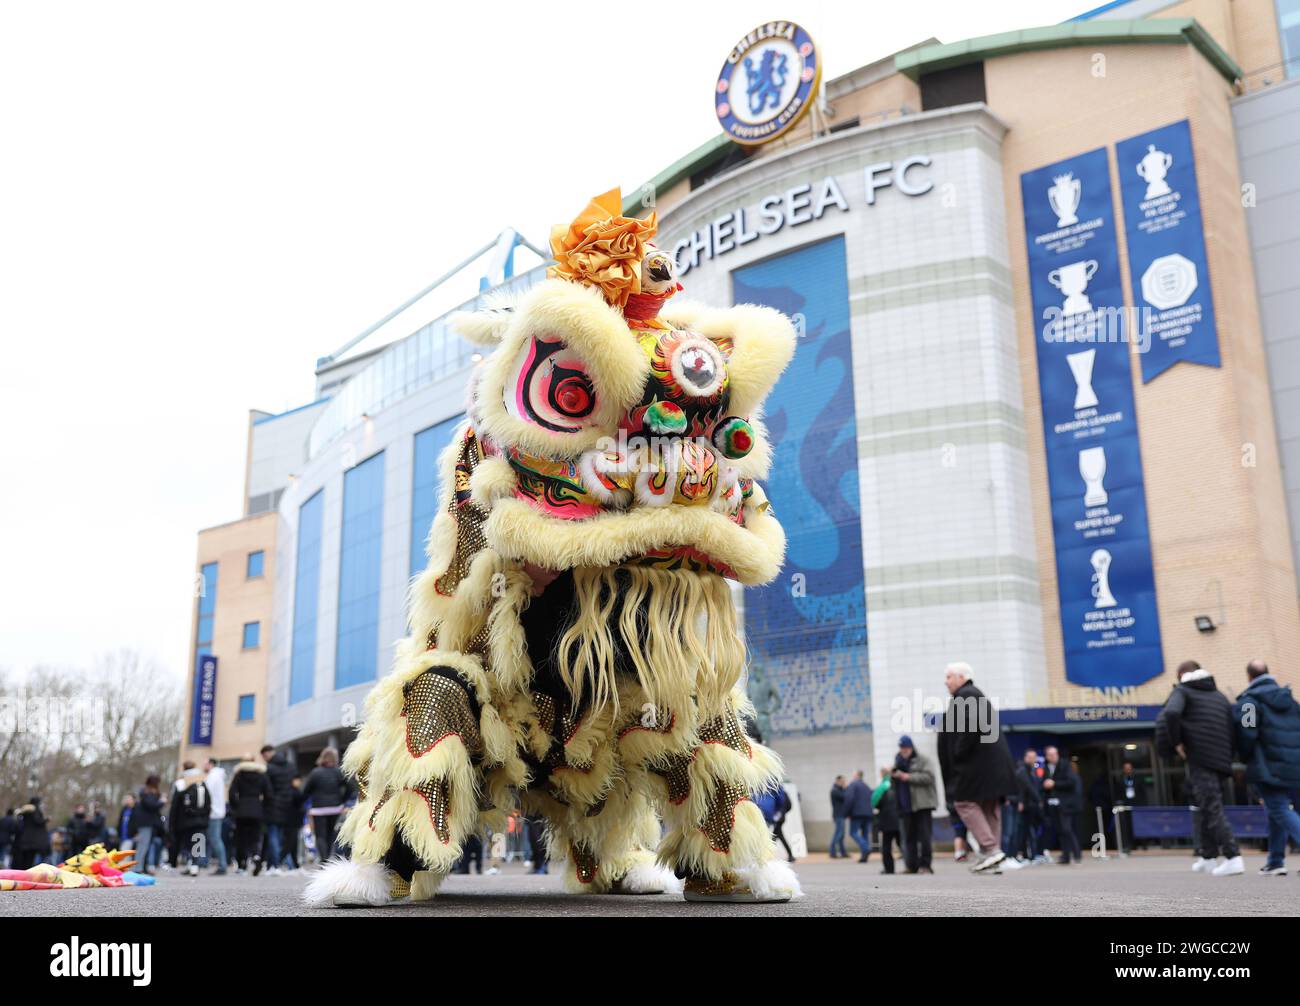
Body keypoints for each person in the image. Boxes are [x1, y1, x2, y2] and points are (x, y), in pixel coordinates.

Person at [1156, 659, 1242, 876]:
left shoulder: (1183, 691)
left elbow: (1171, 713)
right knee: (1205, 806)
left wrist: (1177, 743)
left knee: (1211, 807)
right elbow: (1233, 728)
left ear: (1182, 676)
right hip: (1221, 759)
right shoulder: (1220, 696)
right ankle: (1208, 856)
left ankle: (1233, 856)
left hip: (1200, 758)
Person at [937, 662, 1018, 873]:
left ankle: (991, 850)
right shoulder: (975, 695)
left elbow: (971, 729)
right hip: (993, 765)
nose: (946, 682)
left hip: (978, 765)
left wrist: (957, 753)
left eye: (949, 677)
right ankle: (992, 856)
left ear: (962, 677)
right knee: (989, 807)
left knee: (964, 802)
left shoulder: (966, 695)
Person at [1233, 659, 1300, 876]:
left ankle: (1276, 860)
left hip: (1268, 766)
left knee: (1279, 809)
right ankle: (1275, 859)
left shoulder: (1250, 702)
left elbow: (1247, 733)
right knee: (1277, 812)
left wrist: (1244, 757)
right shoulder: (1290, 701)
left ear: (1249, 677)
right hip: (1294, 765)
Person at [892, 736, 937, 874]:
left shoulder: (923, 760)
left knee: (924, 837)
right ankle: (911, 866)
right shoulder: (898, 762)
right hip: (905, 807)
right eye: (901, 748)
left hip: (922, 804)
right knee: (908, 838)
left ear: (911, 747)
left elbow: (929, 777)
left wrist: (908, 777)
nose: (903, 750)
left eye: (905, 747)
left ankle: (926, 865)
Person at [301, 747, 354, 862]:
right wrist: (342, 800)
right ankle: (327, 858)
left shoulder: (315, 772)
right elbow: (350, 787)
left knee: (320, 835)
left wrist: (309, 800)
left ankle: (323, 859)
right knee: (330, 834)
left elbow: (306, 790)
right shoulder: (338, 771)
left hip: (318, 809)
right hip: (335, 808)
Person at [228, 754, 273, 874]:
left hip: (241, 810)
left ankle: (242, 865)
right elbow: (269, 794)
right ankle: (256, 857)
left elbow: (232, 793)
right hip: (257, 809)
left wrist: (236, 807)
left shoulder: (239, 775)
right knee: (256, 836)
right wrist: (262, 807)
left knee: (241, 838)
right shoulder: (261, 775)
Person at [169, 764, 212, 876]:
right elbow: (208, 806)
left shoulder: (184, 787)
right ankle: (194, 865)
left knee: (190, 843)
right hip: (200, 821)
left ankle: (192, 864)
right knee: (197, 842)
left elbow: (177, 807)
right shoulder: (203, 787)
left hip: (188, 822)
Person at [1042, 746, 1082, 864]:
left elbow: (1071, 782)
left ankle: (1076, 854)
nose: (1052, 757)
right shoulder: (1046, 768)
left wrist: (1054, 784)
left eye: (1054, 754)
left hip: (1066, 804)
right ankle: (1066, 856)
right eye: (1049, 755)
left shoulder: (1065, 765)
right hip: (1053, 803)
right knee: (1060, 829)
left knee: (1067, 829)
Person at [259, 745, 295, 874]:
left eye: (264, 756)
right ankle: (277, 865)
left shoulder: (269, 768)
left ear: (267, 753)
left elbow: (266, 789)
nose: (264, 759)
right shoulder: (290, 766)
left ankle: (275, 865)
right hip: (287, 805)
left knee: (272, 836)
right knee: (280, 836)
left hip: (272, 805)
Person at [1013, 749, 1043, 861]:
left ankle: (1029, 854)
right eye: (1030, 757)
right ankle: (1027, 854)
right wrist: (1039, 800)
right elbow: (1028, 787)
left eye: (1034, 757)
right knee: (1024, 832)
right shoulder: (1022, 770)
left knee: (1028, 831)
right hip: (1025, 806)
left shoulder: (1033, 770)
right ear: (1025, 758)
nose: (1032, 759)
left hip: (1031, 805)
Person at [755, 782, 795, 863]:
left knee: (773, 838)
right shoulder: (779, 793)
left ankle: (768, 854)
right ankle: (789, 855)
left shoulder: (779, 794)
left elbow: (787, 806)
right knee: (777, 837)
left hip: (778, 819)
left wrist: (780, 814)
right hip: (776, 818)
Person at [133, 778, 165, 875]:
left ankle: (143, 867)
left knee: (146, 846)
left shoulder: (148, 792)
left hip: (150, 824)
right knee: (142, 846)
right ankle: (137, 868)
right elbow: (151, 805)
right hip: (145, 823)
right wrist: (161, 801)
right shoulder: (146, 792)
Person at [1113, 760, 1146, 854]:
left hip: (1137, 806)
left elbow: (1143, 793)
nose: (1128, 770)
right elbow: (1118, 794)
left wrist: (1143, 805)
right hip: (1126, 806)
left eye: (1129, 768)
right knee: (1128, 826)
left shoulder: (1138, 779)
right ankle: (1131, 845)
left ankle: (1143, 844)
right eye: (1126, 768)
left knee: (1140, 825)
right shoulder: (1120, 780)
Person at [842, 770, 874, 863]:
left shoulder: (853, 785)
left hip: (857, 813)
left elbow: (849, 799)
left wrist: (846, 813)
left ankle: (866, 848)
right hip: (868, 813)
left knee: (853, 832)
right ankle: (864, 856)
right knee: (865, 834)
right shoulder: (866, 785)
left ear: (856, 776)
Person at [872, 769, 901, 874]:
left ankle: (889, 869)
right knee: (903, 843)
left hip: (887, 820)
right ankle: (913, 865)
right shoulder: (899, 784)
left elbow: (874, 802)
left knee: (886, 846)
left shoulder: (883, 786)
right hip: (899, 818)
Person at [204, 757, 229, 875]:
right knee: (213, 839)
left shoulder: (213, 777)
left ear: (210, 764)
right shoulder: (218, 777)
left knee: (215, 839)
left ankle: (222, 865)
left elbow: (207, 795)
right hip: (217, 811)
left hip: (213, 812)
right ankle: (206, 862)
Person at [13, 797, 51, 870]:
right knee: (29, 860)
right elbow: (37, 821)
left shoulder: (25, 811)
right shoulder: (36, 810)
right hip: (32, 841)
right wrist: (46, 820)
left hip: (23, 839)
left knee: (23, 859)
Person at [829, 776, 848, 858]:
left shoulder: (838, 789)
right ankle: (832, 852)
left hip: (841, 815)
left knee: (841, 835)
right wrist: (845, 788)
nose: (843, 783)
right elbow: (845, 796)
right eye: (842, 782)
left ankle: (843, 852)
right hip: (838, 815)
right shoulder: (835, 790)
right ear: (837, 781)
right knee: (838, 834)